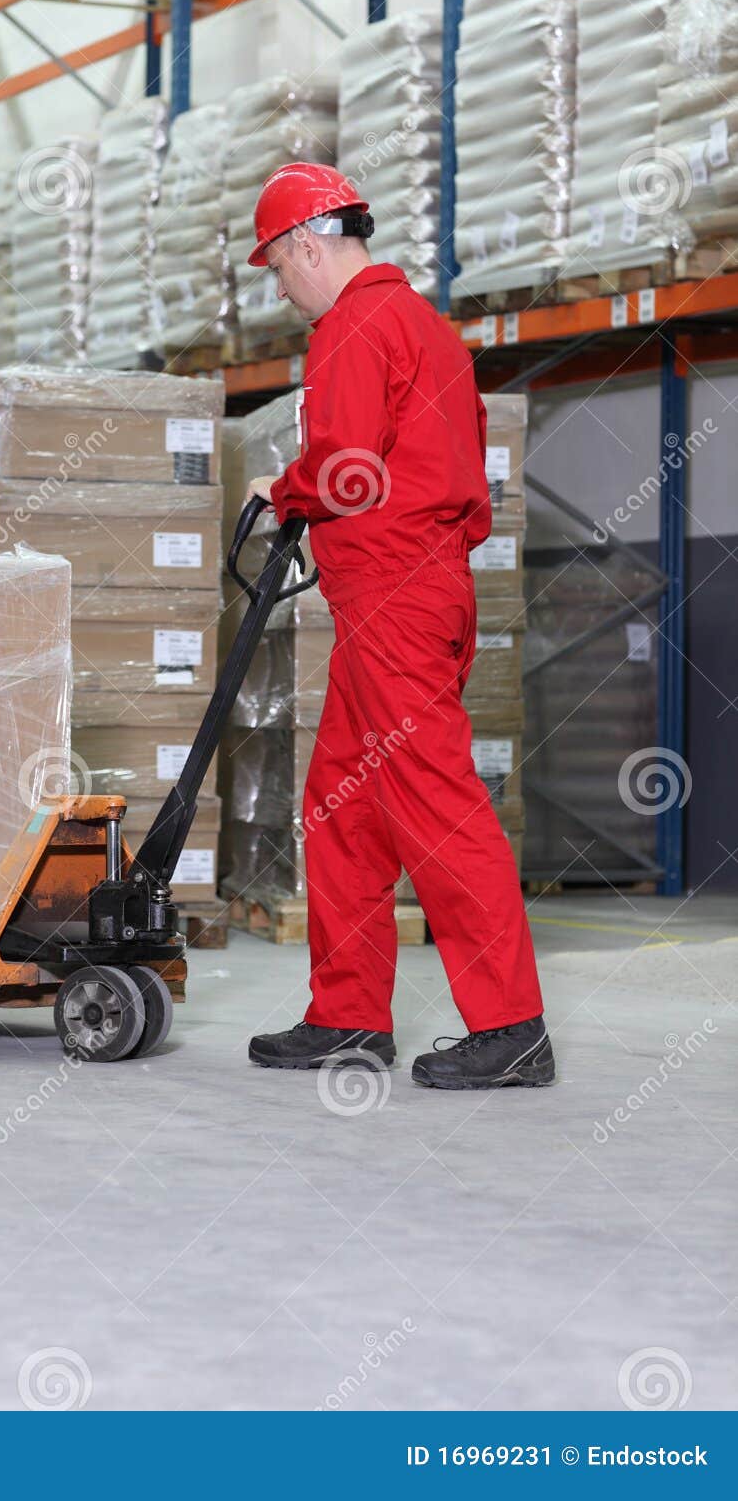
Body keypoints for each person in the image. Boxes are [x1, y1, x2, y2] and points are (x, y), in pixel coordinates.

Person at [243, 163, 554, 1090]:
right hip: (421, 592)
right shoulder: (427, 329)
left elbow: (344, 470)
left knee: (435, 804)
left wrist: (281, 488)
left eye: (276, 266)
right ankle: (346, 1016)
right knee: (340, 803)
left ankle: (510, 1026)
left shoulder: (350, 326)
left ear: (306, 244)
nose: (280, 287)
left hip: (393, 600)